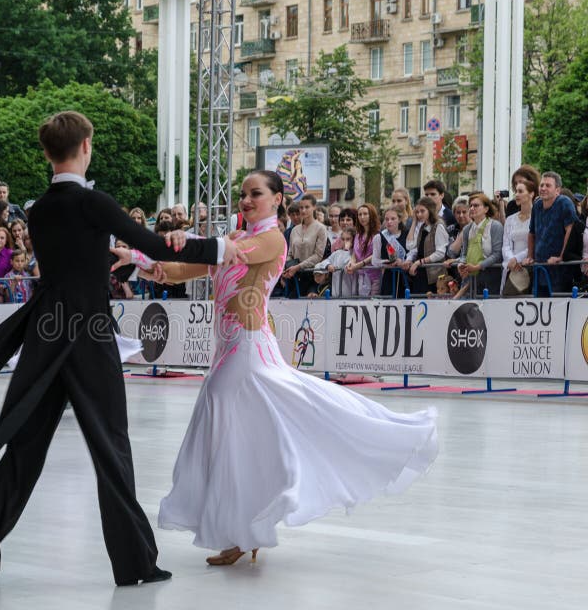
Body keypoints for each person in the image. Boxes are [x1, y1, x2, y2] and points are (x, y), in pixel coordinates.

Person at [0, 110, 243, 586]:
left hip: (46, 332)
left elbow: (78, 259)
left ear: (47, 152)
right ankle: (135, 563)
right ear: (86, 146)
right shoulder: (93, 202)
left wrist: (119, 257)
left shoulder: (39, 210)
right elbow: (155, 246)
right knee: (111, 445)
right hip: (88, 333)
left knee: (24, 448)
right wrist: (219, 248)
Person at [121, 170, 437, 565]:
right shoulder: (236, 237)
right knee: (237, 435)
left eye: (255, 193)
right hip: (230, 349)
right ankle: (247, 527)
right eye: (243, 193)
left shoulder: (270, 239)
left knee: (226, 428)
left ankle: (248, 524)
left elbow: (221, 253)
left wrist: (188, 242)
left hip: (247, 349)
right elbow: (184, 270)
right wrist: (138, 260)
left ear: (277, 200)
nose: (246, 200)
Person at [523, 171, 580, 295]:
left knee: (558, 304)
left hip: (559, 270)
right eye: (541, 185)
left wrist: (561, 256)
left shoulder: (564, 203)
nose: (543, 188)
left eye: (548, 185)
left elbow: (570, 231)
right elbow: (531, 233)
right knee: (538, 303)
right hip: (540, 268)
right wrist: (530, 256)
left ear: (557, 190)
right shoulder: (537, 205)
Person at [456, 193, 504, 296]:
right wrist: (461, 264)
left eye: (476, 205)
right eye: (470, 206)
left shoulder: (495, 226)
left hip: (490, 276)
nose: (472, 208)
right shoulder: (467, 229)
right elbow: (464, 254)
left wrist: (478, 266)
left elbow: (497, 254)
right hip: (470, 277)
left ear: (486, 209)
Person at [282, 194, 327, 296]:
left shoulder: (320, 228)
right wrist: (287, 267)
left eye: (307, 207)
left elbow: (318, 255)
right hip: (294, 276)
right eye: (301, 207)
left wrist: (298, 267)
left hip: (312, 276)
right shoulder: (294, 230)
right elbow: (290, 253)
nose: (303, 210)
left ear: (314, 207)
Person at [403, 196, 448, 294]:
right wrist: (414, 222)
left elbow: (440, 253)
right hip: (421, 274)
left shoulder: (438, 226)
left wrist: (420, 262)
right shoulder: (423, 227)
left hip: (434, 276)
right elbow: (410, 246)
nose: (419, 214)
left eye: (422, 211)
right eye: (417, 212)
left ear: (430, 210)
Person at [501, 176, 536, 296]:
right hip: (511, 267)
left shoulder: (537, 217)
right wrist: (511, 260)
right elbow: (505, 244)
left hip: (528, 264)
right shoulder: (510, 219)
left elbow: (535, 242)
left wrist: (517, 259)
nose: (516, 194)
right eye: (516, 191)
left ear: (531, 194)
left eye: (520, 191)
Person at [371, 206, 408, 297]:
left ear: (399, 220)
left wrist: (403, 262)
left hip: (406, 277)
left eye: (393, 219)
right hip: (389, 278)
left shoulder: (407, 234)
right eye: (387, 219)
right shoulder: (379, 237)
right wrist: (387, 263)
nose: (389, 222)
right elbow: (374, 261)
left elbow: (413, 253)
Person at [311, 226, 357, 298]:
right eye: (343, 239)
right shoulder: (336, 253)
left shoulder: (355, 253)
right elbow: (323, 262)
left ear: (354, 240)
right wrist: (328, 265)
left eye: (348, 239)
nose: (345, 242)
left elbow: (347, 265)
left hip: (350, 293)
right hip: (336, 293)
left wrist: (346, 250)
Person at [346, 203, 381, 297]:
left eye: (365, 214)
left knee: (372, 303)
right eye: (360, 214)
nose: (362, 217)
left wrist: (358, 265)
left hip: (374, 276)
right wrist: (351, 262)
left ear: (371, 215)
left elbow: (376, 254)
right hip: (360, 275)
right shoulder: (358, 235)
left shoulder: (377, 234)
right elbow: (355, 252)